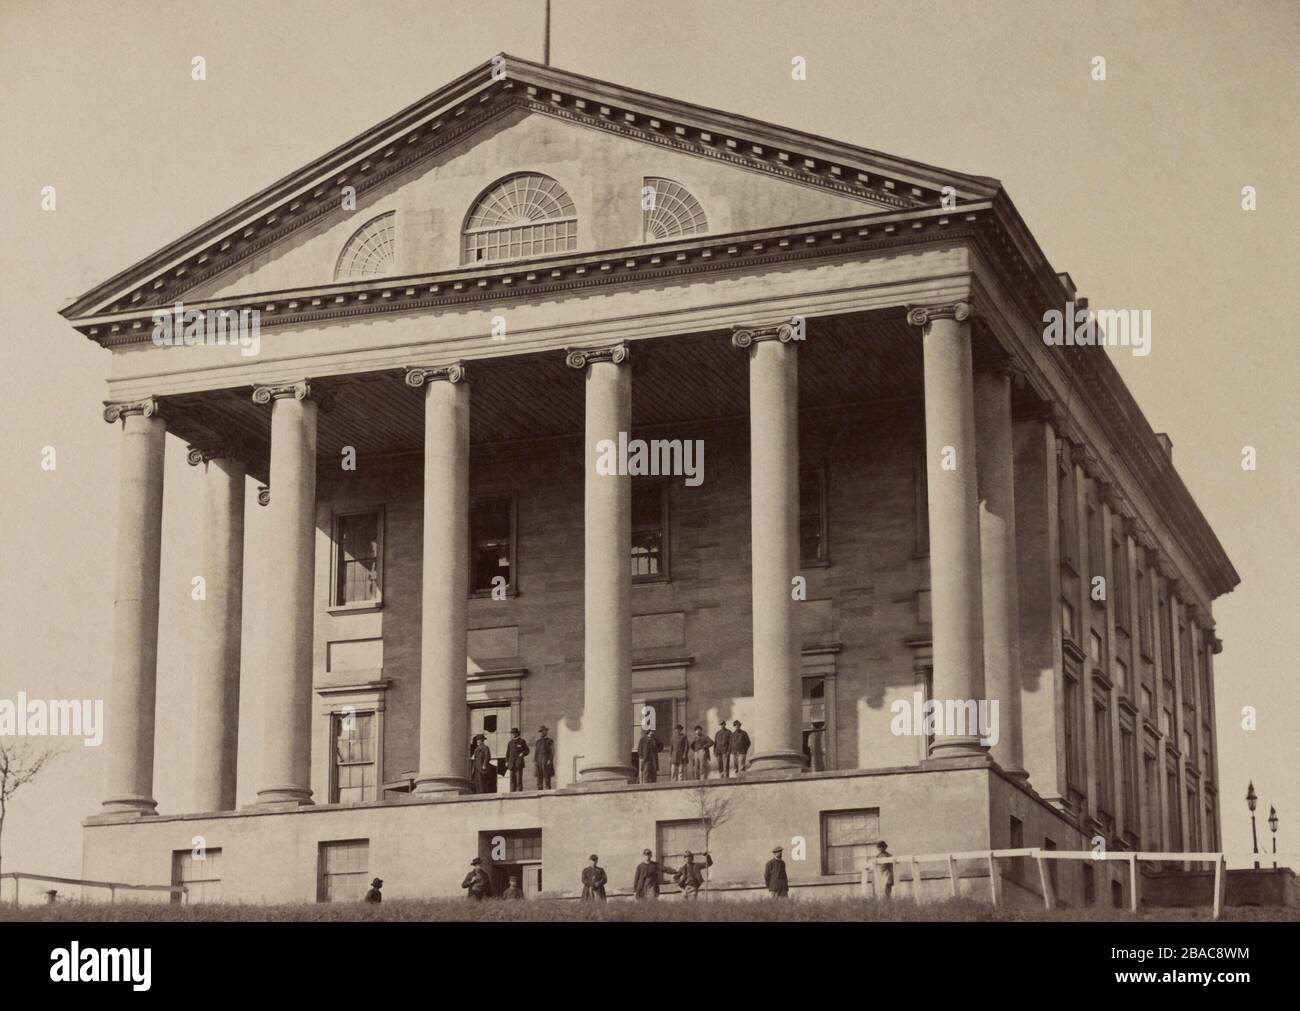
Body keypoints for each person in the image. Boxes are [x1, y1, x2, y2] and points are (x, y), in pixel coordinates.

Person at [505, 727, 529, 793]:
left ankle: (519, 790)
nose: (513, 734)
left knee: (519, 777)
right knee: (512, 777)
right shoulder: (510, 743)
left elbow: (527, 750)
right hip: (511, 763)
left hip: (519, 762)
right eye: (512, 733)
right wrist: (506, 761)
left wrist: (523, 753)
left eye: (514, 733)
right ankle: (513, 790)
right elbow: (507, 753)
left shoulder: (522, 741)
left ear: (517, 733)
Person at [533, 724, 556, 790]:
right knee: (539, 773)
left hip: (546, 757)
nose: (542, 733)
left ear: (546, 732)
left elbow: (552, 751)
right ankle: (540, 787)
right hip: (539, 758)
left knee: (546, 773)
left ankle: (548, 787)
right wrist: (535, 761)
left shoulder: (549, 741)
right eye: (540, 731)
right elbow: (536, 752)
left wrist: (550, 760)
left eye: (543, 731)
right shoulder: (538, 741)